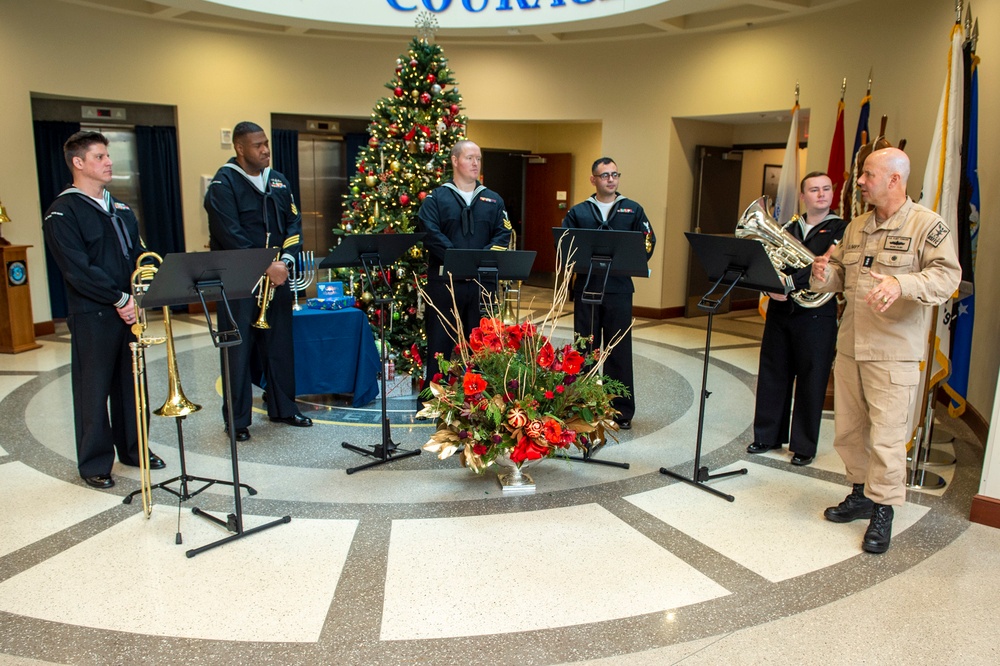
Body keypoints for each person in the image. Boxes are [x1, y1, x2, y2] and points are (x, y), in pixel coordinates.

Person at [811, 147, 960, 554]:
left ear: (895, 179)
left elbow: (947, 277)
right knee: (849, 430)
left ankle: (883, 509)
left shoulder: (927, 225)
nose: (859, 181)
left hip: (892, 352)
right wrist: (823, 274)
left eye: (868, 174)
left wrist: (901, 284)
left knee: (887, 438)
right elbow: (841, 275)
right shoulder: (857, 226)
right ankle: (861, 493)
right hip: (851, 347)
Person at [42, 131, 166, 489]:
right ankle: (95, 462)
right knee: (93, 390)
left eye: (108, 155)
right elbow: (77, 269)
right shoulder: (63, 211)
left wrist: (143, 288)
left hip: (129, 311)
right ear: (78, 163)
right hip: (93, 314)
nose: (109, 162)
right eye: (99, 157)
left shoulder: (122, 210)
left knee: (132, 385)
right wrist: (119, 299)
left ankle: (134, 449)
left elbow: (139, 254)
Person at [204, 121, 312, 442]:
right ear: (239, 148)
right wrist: (266, 265)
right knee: (237, 352)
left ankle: (284, 407)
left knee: (280, 346)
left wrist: (285, 263)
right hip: (238, 282)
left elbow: (294, 224)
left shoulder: (278, 181)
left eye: (266, 143)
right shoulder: (223, 184)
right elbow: (230, 234)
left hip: (277, 279)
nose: (266, 150)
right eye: (258, 145)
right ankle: (237, 420)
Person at [747, 172, 846, 466]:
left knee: (811, 378)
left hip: (817, 314)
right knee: (772, 373)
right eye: (814, 190)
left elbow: (829, 267)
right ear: (803, 196)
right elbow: (767, 261)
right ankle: (767, 436)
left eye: (826, 189)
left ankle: (803, 445)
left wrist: (789, 283)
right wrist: (769, 286)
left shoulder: (842, 229)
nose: (821, 194)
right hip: (781, 310)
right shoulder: (788, 227)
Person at [561, 158, 655, 430]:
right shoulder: (579, 212)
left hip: (619, 289)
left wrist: (632, 259)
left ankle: (620, 410)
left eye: (615, 174)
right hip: (587, 288)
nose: (611, 179)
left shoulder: (632, 210)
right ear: (593, 179)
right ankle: (583, 407)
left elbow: (648, 241)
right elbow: (564, 244)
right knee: (584, 349)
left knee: (618, 351)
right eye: (604, 175)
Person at [418, 140, 511, 383]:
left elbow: (503, 234)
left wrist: (480, 261)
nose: (475, 163)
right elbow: (429, 233)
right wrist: (459, 259)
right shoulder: (436, 199)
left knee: (482, 344)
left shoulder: (493, 200)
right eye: (469, 158)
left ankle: (480, 396)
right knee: (439, 341)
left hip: (482, 284)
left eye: (478, 158)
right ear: (455, 160)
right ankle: (433, 394)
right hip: (445, 283)